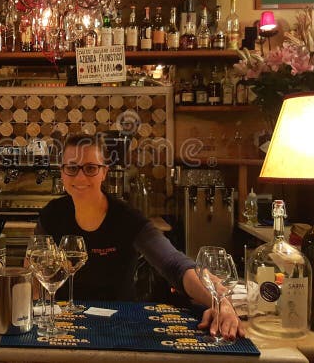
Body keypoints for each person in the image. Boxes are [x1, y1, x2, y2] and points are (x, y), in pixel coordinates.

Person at [36, 133, 244, 340]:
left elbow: (175, 264)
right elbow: (33, 275)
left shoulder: (127, 218)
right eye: (72, 168)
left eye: (90, 168)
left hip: (119, 326)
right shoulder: (51, 215)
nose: (80, 177)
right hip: (63, 326)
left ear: (104, 173)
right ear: (62, 173)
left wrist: (221, 302)